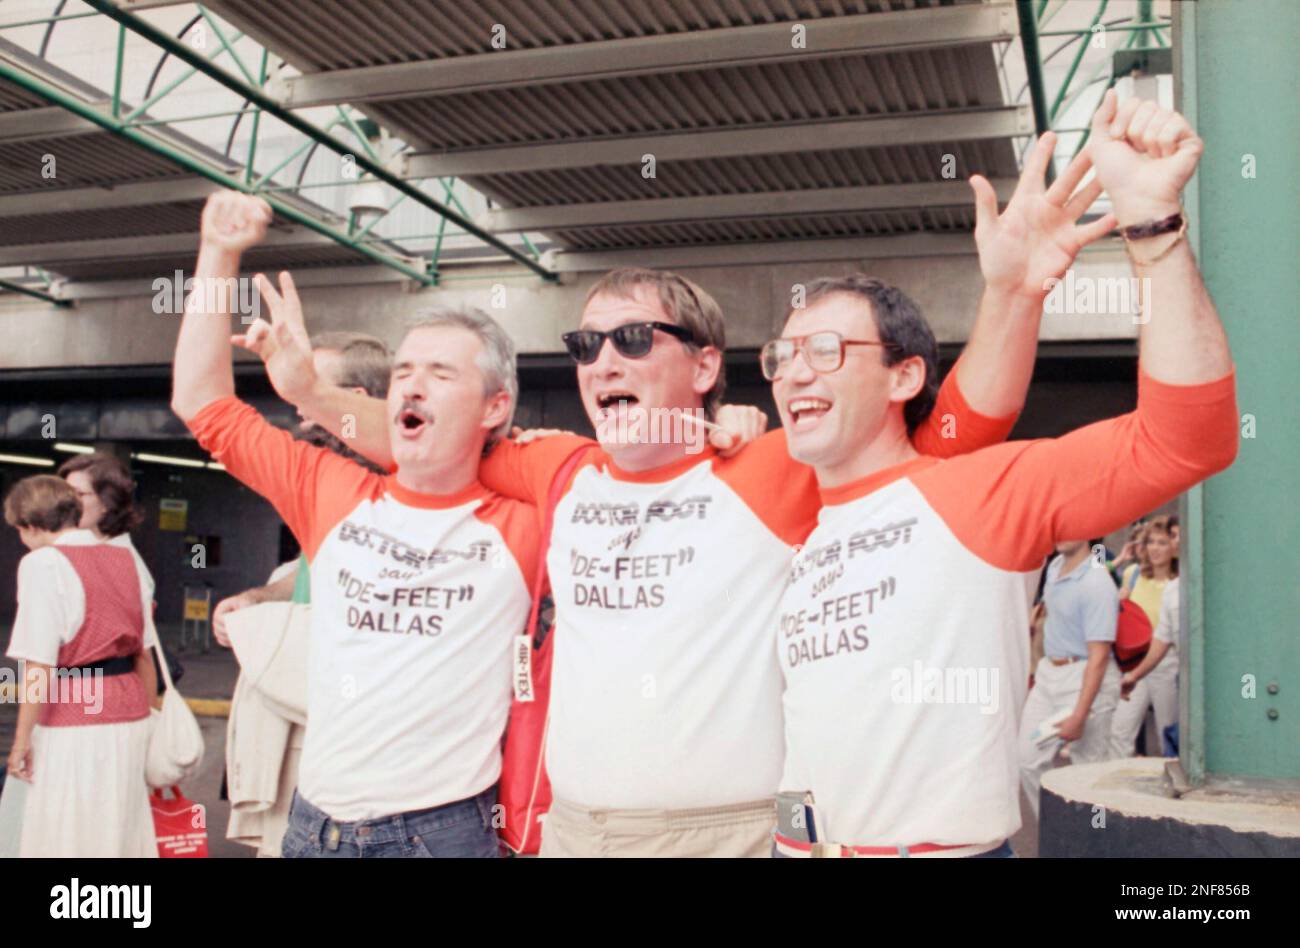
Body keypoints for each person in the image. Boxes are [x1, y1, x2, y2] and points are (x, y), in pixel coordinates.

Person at [244, 127, 1114, 856]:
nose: (603, 361)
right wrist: (314, 396)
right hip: (577, 832)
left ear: (704, 365)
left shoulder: (775, 468)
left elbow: (952, 431)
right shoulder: (563, 472)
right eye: (586, 347)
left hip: (726, 836)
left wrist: (1010, 294)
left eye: (630, 337)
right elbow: (433, 439)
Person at [768, 92, 1236, 857]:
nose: (794, 375)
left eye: (825, 352)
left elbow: (1187, 442)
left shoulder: (983, 492)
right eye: (782, 358)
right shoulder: (801, 529)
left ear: (903, 377)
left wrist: (1151, 231)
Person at [171, 192, 544, 857]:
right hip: (314, 828)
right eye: (403, 370)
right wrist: (219, 253)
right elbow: (203, 402)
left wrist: (723, 430)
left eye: (439, 372)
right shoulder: (332, 491)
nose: (411, 385)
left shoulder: (526, 521)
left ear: (496, 404)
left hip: (439, 834)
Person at [213, 330, 391, 857]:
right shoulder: (322, 480)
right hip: (298, 726)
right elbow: (310, 567)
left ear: (353, 402)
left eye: (306, 392)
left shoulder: (409, 487)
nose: (298, 413)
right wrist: (259, 598)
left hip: (360, 743)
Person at [3, 475, 158, 857]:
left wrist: (21, 742)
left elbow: (39, 665)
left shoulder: (43, 564)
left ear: (33, 526)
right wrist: (153, 711)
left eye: (20, 531)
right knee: (119, 825)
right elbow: (144, 651)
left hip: (73, 720)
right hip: (130, 713)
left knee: (66, 829)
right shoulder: (127, 560)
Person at [1018, 538, 1121, 817]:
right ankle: (1058, 834)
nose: (1062, 533)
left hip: (1085, 675)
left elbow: (1099, 656)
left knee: (1087, 773)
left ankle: (1089, 843)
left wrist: (1080, 713)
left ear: (1090, 531)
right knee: (1026, 759)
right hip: (1050, 672)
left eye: (1072, 526)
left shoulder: (1097, 583)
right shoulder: (1054, 567)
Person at [1115, 515, 1181, 757]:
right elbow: (1096, 573)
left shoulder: (1181, 582)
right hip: (1136, 660)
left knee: (1168, 732)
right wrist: (1119, 561)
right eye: (1151, 542)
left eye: (1162, 542)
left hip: (1167, 662)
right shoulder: (1132, 574)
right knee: (1120, 730)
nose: (1155, 548)